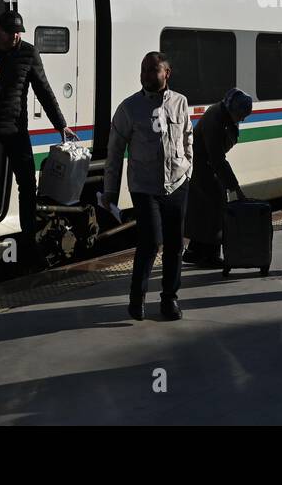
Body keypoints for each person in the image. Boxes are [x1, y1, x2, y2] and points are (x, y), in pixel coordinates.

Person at [0, 10, 77, 268]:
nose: (16, 37)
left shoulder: (28, 53)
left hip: (15, 129)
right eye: (11, 32)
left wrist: (61, 125)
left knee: (27, 184)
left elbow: (44, 89)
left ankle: (29, 239)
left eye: (19, 32)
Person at [101, 52, 193, 321]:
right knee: (151, 242)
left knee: (175, 245)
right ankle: (137, 297)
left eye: (153, 70)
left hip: (177, 183)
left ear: (167, 73)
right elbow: (115, 153)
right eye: (143, 70)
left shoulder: (180, 103)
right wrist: (110, 191)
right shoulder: (129, 108)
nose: (147, 75)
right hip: (144, 187)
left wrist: (189, 168)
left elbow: (188, 135)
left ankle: (169, 300)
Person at [183, 88, 253, 268]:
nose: (242, 119)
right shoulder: (215, 121)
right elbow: (217, 159)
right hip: (203, 168)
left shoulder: (222, 114)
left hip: (204, 167)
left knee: (203, 209)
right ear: (233, 110)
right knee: (215, 207)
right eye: (241, 115)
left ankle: (195, 251)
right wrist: (235, 187)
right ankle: (210, 255)